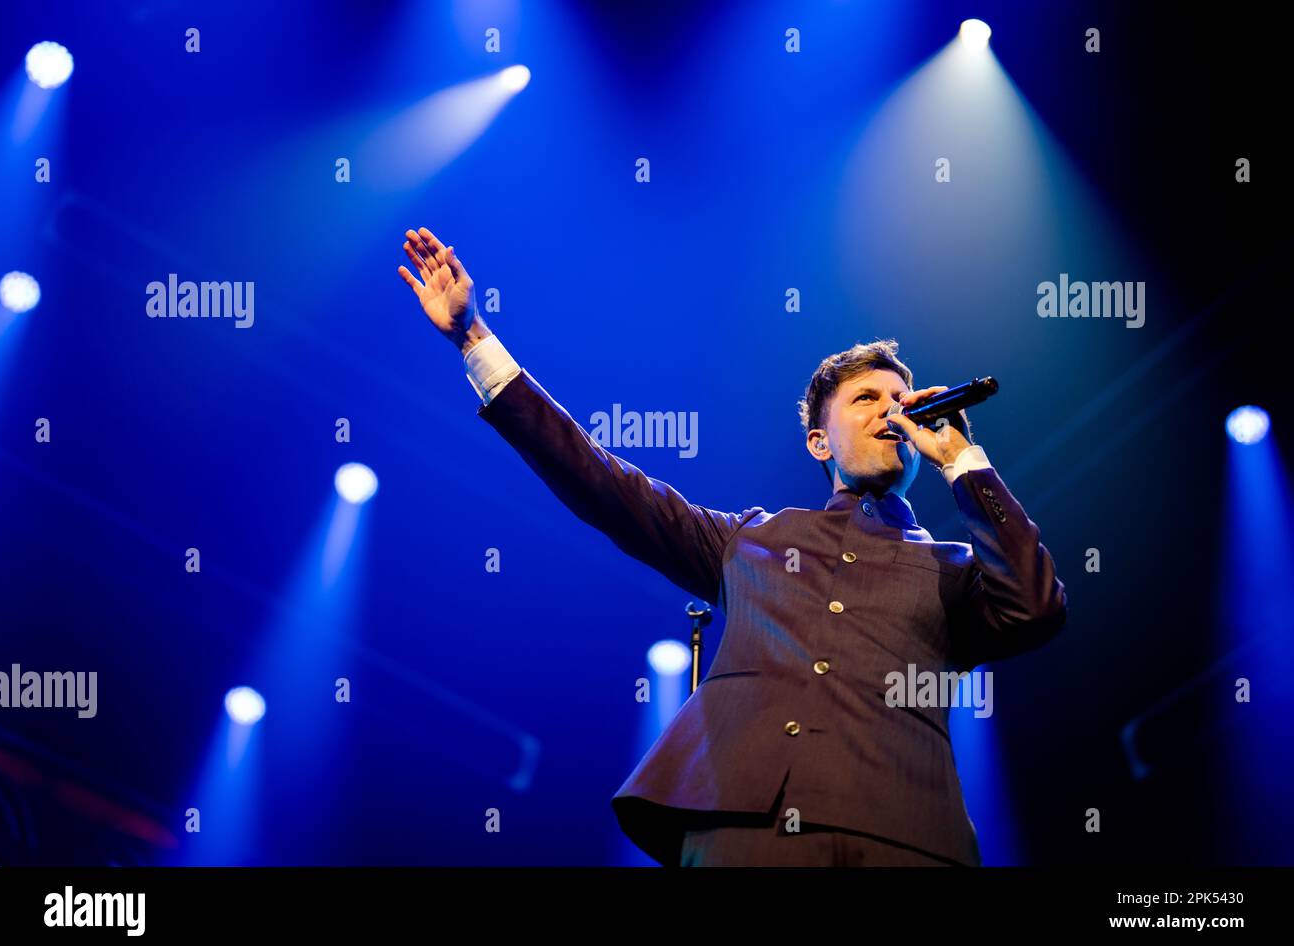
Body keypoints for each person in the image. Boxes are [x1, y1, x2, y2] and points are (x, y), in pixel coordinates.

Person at [397, 226, 1068, 866]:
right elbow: (601, 481)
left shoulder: (951, 567)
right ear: (819, 442)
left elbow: (1035, 609)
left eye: (901, 398)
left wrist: (963, 459)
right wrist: (473, 339)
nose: (893, 411)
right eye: (867, 399)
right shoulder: (748, 539)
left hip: (906, 837)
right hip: (744, 833)